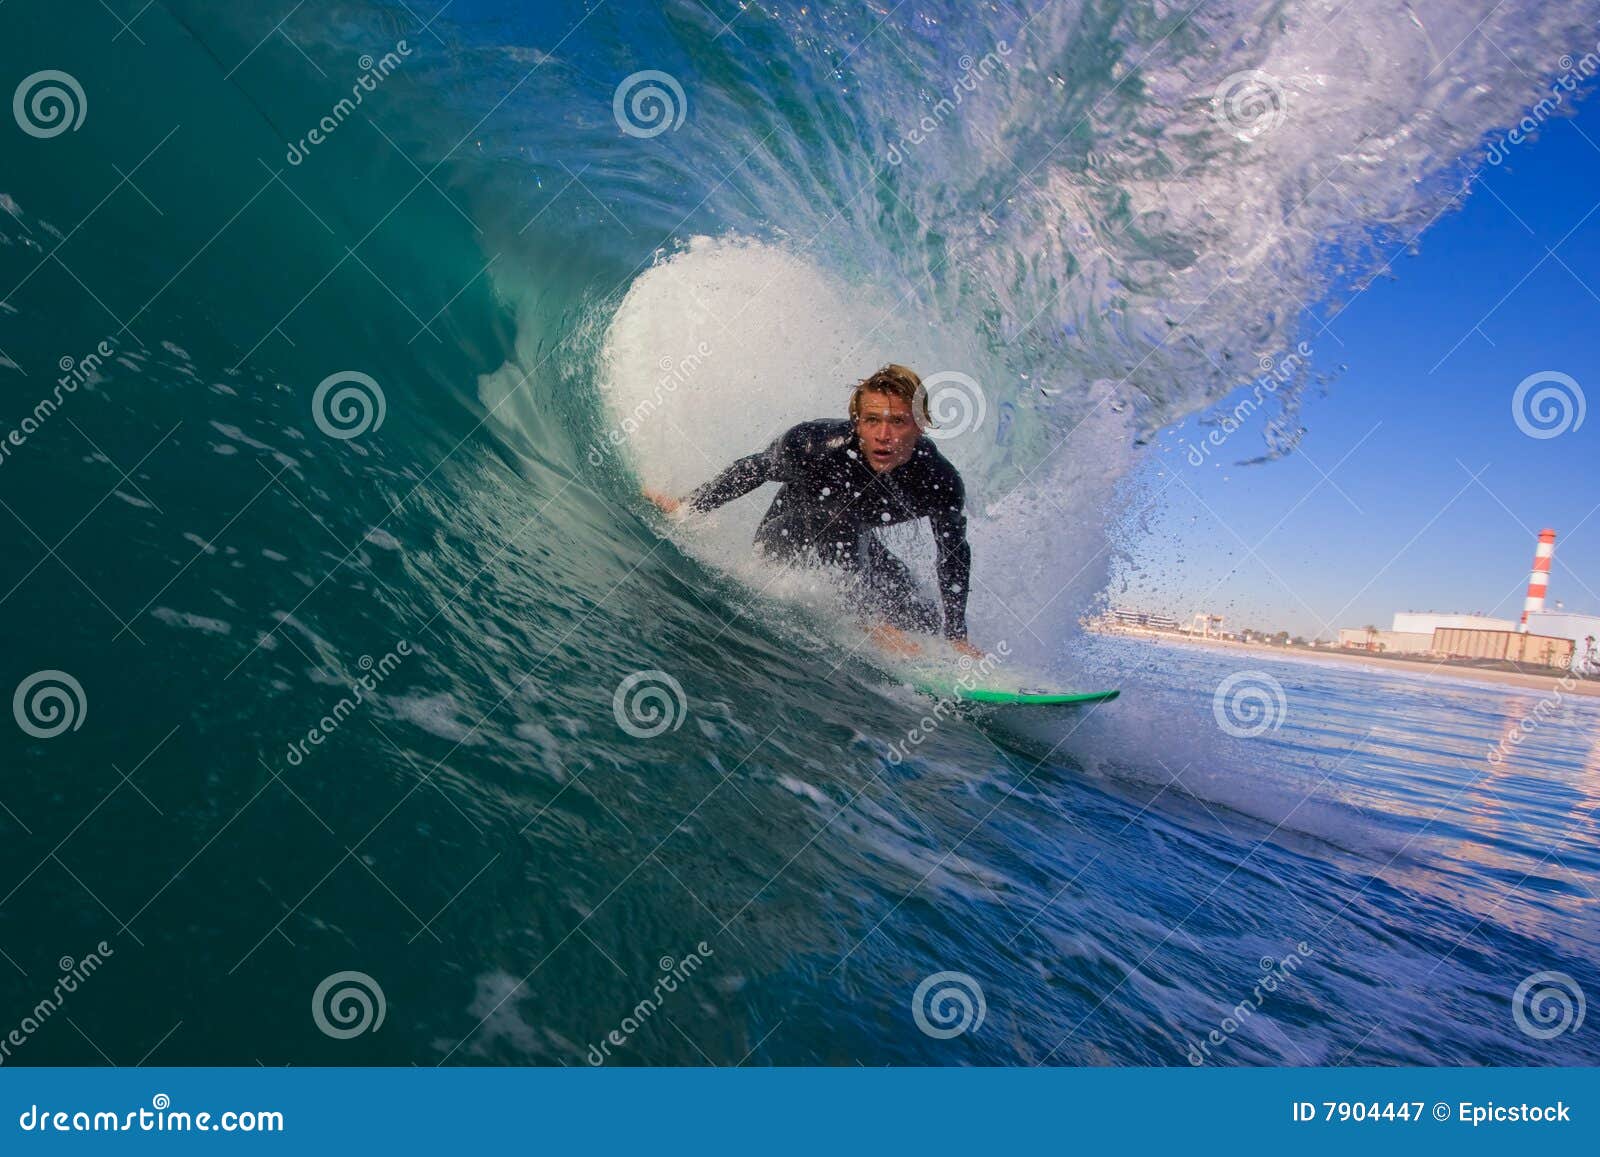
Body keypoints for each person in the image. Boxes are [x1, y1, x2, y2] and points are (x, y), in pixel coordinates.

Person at [645, 364, 982, 658]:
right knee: (836, 515)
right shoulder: (812, 445)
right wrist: (689, 506)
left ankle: (932, 639)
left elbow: (953, 552)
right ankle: (868, 622)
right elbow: (753, 469)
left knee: (922, 615)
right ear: (857, 423)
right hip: (786, 537)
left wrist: (956, 635)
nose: (883, 435)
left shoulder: (938, 482)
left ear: (920, 425)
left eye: (898, 422)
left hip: (853, 548)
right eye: (871, 421)